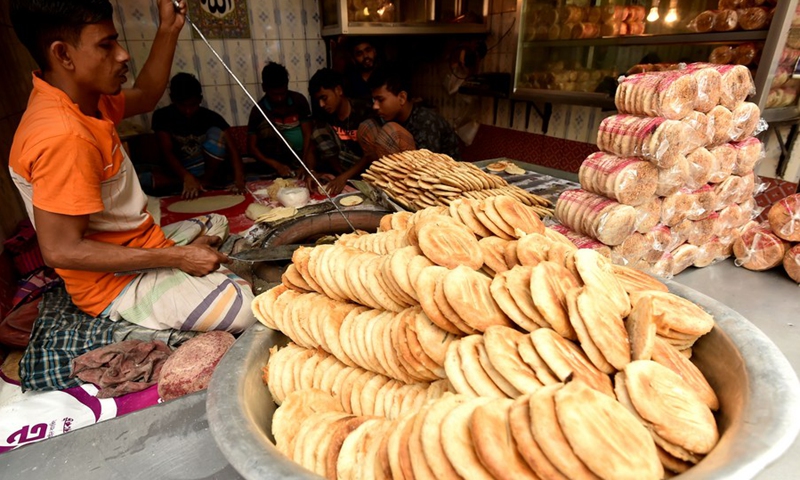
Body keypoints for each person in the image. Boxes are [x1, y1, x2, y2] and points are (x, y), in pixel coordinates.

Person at [8, 0, 255, 333]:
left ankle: (181, 266)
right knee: (246, 308)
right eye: (106, 45)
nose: (123, 55)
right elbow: (61, 250)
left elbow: (147, 94)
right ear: (63, 54)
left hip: (140, 245)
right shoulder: (64, 135)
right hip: (110, 283)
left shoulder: (85, 99)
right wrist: (177, 258)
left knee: (214, 222)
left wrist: (169, 28)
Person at [147, 72, 245, 199]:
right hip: (179, 171)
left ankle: (205, 183)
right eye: (182, 105)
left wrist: (239, 180)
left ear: (200, 99)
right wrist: (186, 177)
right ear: (172, 99)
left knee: (217, 135)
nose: (188, 111)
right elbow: (167, 152)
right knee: (144, 180)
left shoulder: (212, 117)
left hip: (207, 170)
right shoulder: (162, 116)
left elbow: (233, 151)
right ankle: (189, 182)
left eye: (192, 105)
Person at [358, 66, 461, 161]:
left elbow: (427, 168)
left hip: (443, 174)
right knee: (368, 127)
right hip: (407, 172)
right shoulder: (388, 117)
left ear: (402, 98)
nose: (375, 106)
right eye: (374, 100)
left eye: (380, 100)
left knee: (391, 132)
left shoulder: (426, 122)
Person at [305, 68, 374, 196]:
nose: (321, 104)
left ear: (338, 90)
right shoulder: (324, 115)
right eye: (318, 100)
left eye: (324, 98)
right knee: (318, 132)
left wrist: (344, 178)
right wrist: (311, 171)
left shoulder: (364, 110)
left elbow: (371, 154)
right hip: (341, 166)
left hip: (365, 165)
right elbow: (312, 147)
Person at [247, 62, 311, 178]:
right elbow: (252, 147)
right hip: (276, 160)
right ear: (264, 88)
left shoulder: (299, 100)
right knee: (267, 128)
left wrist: (304, 164)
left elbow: (308, 134)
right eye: (275, 94)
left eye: (283, 93)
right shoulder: (258, 111)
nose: (280, 98)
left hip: (300, 156)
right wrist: (276, 165)